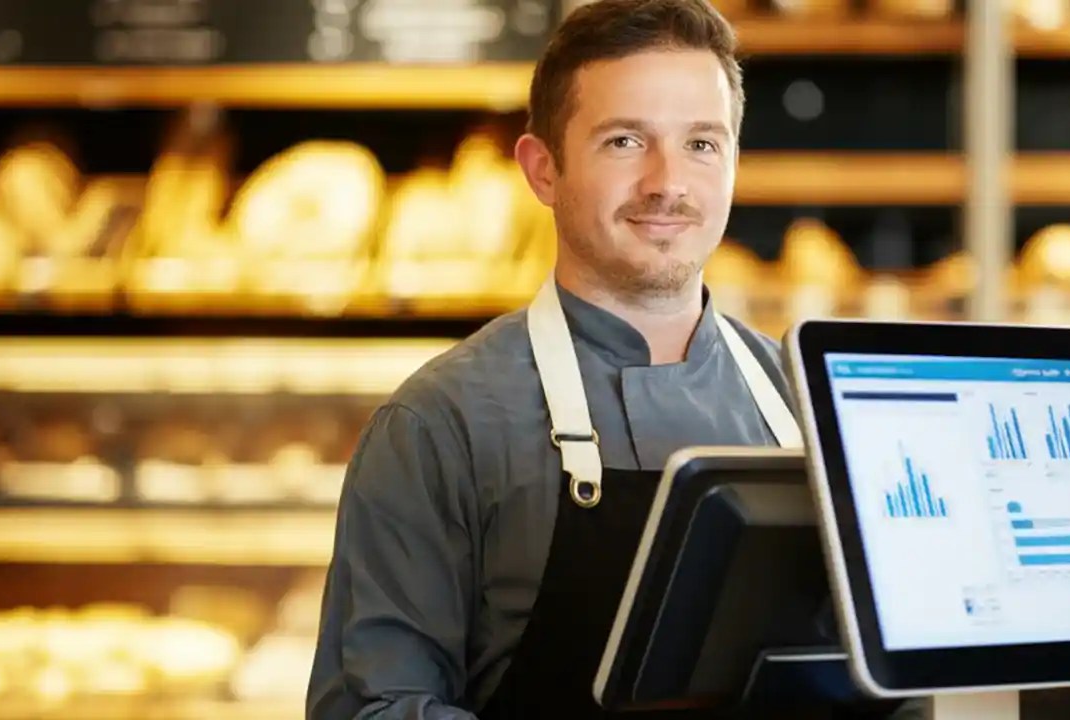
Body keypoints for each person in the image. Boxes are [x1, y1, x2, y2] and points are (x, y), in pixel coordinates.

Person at [307, 1, 816, 717]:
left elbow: (898, 685)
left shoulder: (813, 405)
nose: (668, 182)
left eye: (702, 144)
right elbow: (372, 706)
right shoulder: (437, 425)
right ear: (543, 170)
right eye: (625, 142)